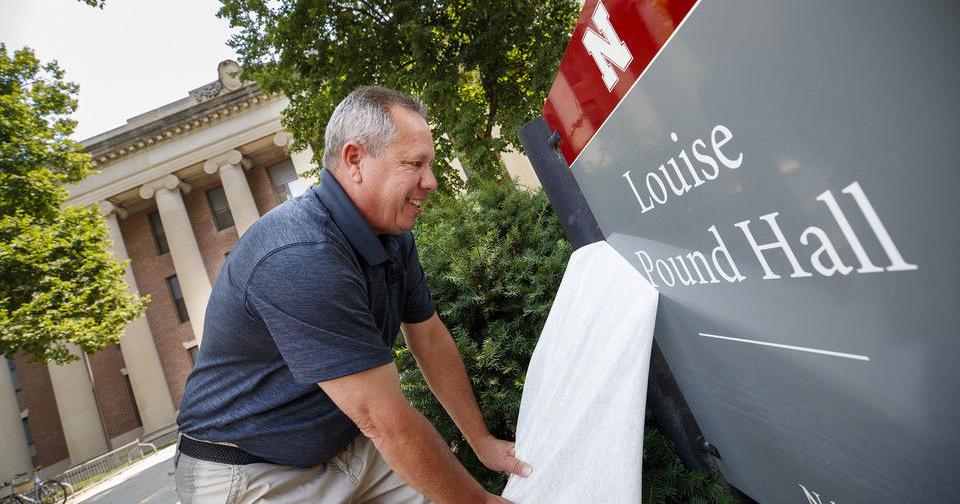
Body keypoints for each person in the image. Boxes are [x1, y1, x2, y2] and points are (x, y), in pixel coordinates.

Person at [174, 86, 530, 503]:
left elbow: (428, 336)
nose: (430, 181)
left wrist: (482, 442)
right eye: (415, 164)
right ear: (355, 160)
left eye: (429, 163)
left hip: (348, 444)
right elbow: (384, 421)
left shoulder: (392, 233)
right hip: (250, 472)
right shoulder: (301, 256)